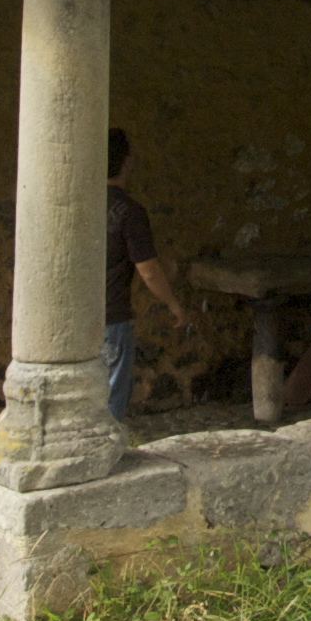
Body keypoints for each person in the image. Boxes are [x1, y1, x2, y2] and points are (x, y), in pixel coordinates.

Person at [104, 125, 193, 426]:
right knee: (111, 397)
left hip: (75, 319)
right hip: (111, 318)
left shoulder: (78, 207)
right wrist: (173, 303)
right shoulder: (129, 212)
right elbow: (149, 271)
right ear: (127, 162)